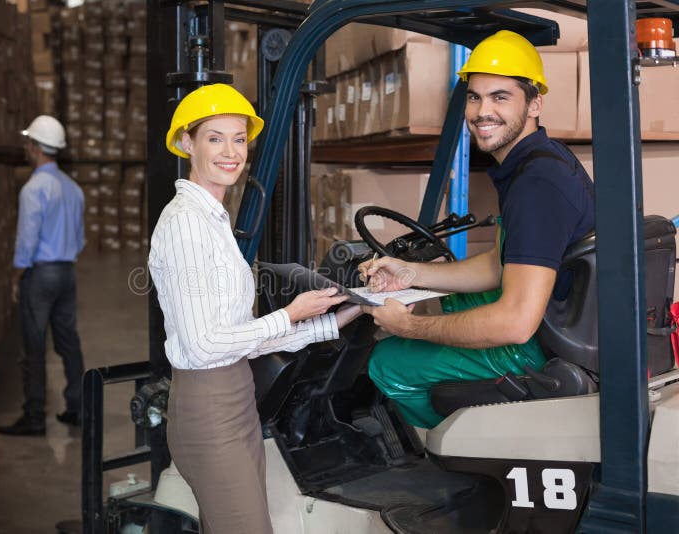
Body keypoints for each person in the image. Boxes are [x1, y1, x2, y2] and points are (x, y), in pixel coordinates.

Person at [148, 84, 362, 533]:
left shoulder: (215, 220)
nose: (231, 152)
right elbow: (206, 346)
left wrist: (340, 317)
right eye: (214, 138)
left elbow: (242, 335)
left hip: (238, 402)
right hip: (209, 410)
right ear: (187, 143)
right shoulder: (186, 224)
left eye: (239, 139)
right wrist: (291, 314)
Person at [359, 30, 595, 430]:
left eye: (500, 97)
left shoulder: (537, 183)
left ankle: (454, 464)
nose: (482, 111)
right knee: (448, 305)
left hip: (541, 345)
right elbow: (500, 266)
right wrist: (409, 271)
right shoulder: (535, 162)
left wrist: (409, 327)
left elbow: (515, 324)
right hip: (560, 320)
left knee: (388, 362)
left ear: (535, 101)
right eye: (474, 97)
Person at [0, 115, 86, 436]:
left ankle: (34, 417)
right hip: (66, 273)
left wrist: (16, 277)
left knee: (33, 347)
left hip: (41, 275)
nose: (25, 147)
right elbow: (80, 239)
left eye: (28, 142)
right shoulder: (73, 189)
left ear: (35, 147)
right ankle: (78, 408)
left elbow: (26, 241)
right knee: (68, 342)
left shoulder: (34, 189)